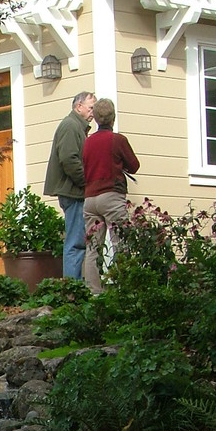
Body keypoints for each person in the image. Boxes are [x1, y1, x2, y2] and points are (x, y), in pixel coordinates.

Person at [82, 97, 140, 294]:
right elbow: (134, 165)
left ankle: (94, 293)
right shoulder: (118, 140)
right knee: (120, 243)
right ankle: (124, 290)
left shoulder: (88, 143)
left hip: (90, 199)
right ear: (113, 118)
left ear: (96, 119)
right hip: (111, 196)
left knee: (92, 248)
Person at [43, 91, 96, 279]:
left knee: (78, 241)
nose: (93, 113)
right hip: (73, 192)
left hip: (74, 191)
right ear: (78, 106)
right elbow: (69, 159)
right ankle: (72, 291)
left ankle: (74, 287)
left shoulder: (76, 127)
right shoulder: (71, 126)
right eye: (91, 108)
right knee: (75, 243)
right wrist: (86, 183)